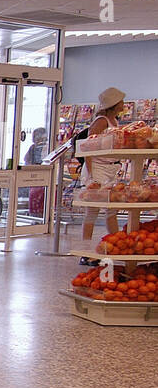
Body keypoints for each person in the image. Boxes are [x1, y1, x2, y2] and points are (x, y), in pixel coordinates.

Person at [76, 87, 126, 262]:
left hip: (109, 169)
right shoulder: (101, 121)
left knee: (111, 210)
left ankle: (117, 245)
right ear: (114, 103)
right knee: (92, 211)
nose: (123, 104)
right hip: (97, 169)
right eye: (121, 101)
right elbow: (88, 147)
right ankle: (86, 252)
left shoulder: (114, 120)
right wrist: (92, 176)